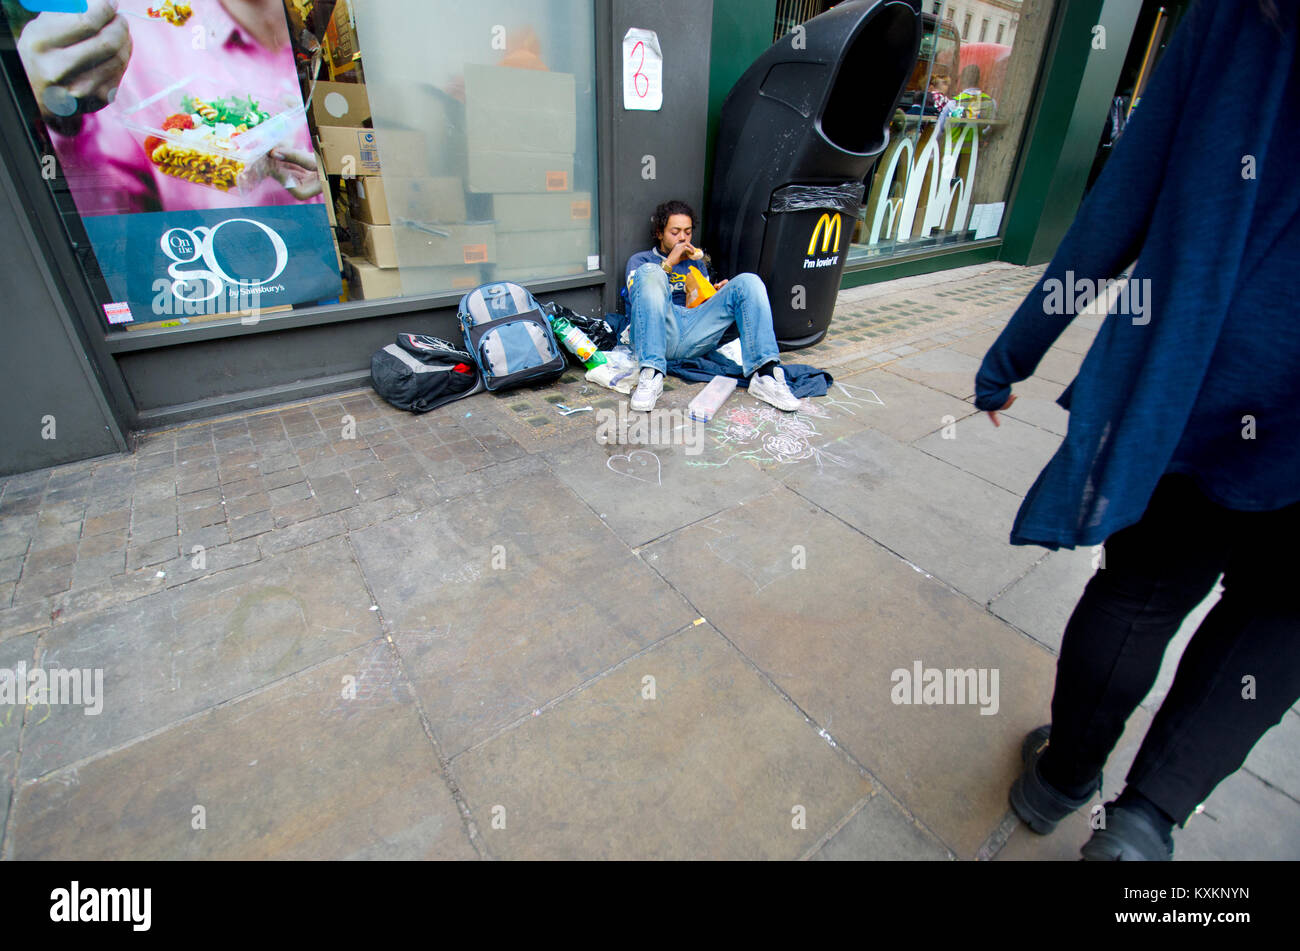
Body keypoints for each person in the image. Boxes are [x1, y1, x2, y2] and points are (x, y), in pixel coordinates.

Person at [976, 0, 1299, 860]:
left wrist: (1012, 356)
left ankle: (1061, 778)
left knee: (1143, 588)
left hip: (1204, 365)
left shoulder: (1237, 24)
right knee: (1280, 616)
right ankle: (1144, 821)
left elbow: (1114, 213)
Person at [13, 0, 321, 217]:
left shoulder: (307, 42)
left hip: (316, 258)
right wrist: (51, 107)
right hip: (216, 274)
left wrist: (317, 174)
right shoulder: (128, 41)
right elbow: (103, 207)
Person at [623, 200, 801, 413]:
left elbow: (700, 306)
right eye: (675, 232)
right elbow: (638, 300)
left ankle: (766, 374)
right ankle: (651, 373)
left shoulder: (696, 263)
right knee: (650, 272)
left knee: (748, 282)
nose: (683, 238)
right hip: (659, 330)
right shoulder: (641, 260)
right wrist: (669, 262)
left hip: (693, 330)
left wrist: (716, 294)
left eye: (688, 232)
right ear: (660, 233)